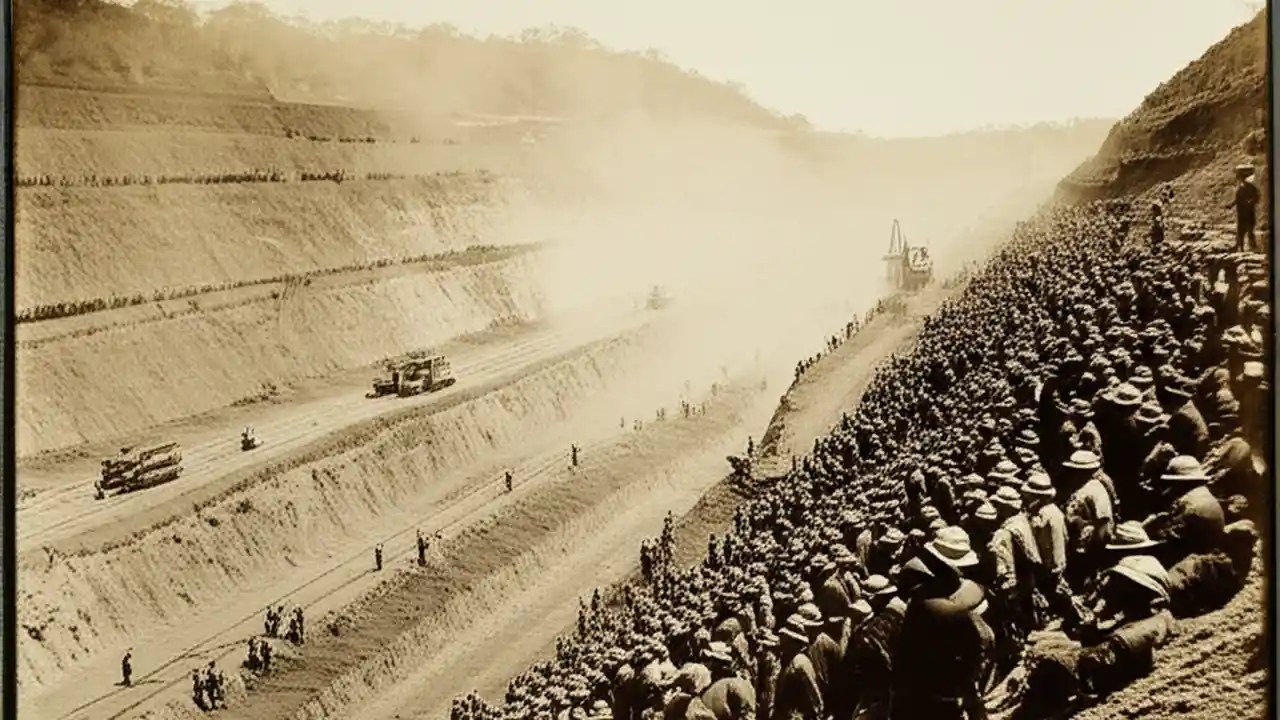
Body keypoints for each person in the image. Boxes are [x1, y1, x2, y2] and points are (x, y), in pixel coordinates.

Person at [1227, 164, 1261, 252]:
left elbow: (1256, 196)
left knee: (1249, 230)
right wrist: (1231, 205)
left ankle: (1252, 247)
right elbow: (1237, 199)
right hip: (1241, 213)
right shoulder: (1240, 187)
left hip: (1248, 212)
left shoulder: (1250, 186)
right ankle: (1241, 247)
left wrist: (1251, 201)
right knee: (1241, 231)